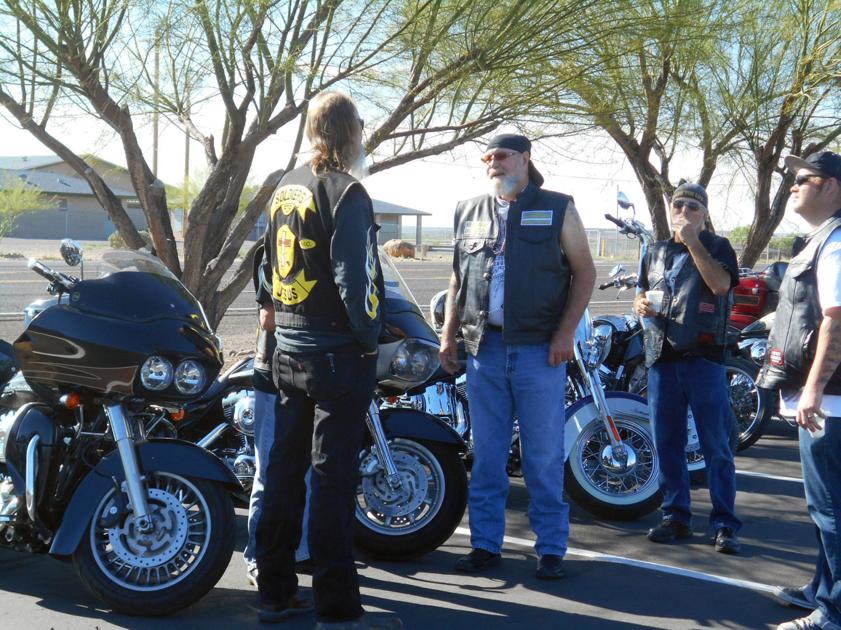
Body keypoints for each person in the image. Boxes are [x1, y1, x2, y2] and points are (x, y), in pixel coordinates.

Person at [439, 133, 596, 579]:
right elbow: (457, 279)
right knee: (487, 456)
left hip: (539, 351)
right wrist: (448, 335)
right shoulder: (468, 210)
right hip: (484, 350)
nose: (494, 162)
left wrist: (565, 333)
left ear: (525, 159)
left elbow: (585, 271)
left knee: (542, 455)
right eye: (488, 157)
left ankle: (551, 548)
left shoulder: (558, 207)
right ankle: (485, 545)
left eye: (503, 155)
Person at [254, 91, 384, 626]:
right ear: (352, 132)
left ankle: (275, 592)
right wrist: (370, 338)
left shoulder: (285, 185)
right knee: (332, 481)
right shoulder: (347, 190)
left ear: (313, 131)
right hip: (335, 355)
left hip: (288, 351)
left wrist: (275, 315)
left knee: (284, 473)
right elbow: (357, 279)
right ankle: (338, 608)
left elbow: (263, 264)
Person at [633, 181, 742, 554]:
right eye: (678, 205)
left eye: (693, 207)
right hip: (661, 357)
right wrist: (639, 304)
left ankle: (725, 524)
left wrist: (694, 242)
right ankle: (675, 516)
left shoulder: (718, 246)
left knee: (716, 445)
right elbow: (642, 291)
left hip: (703, 357)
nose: (684, 212)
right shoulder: (655, 250)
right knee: (667, 442)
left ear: (705, 214)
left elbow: (721, 285)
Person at [757, 151, 841, 630]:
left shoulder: (836, 241)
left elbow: (836, 320)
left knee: (832, 509)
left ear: (830, 185)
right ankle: (821, 591)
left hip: (831, 402)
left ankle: (834, 611)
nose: (791, 186)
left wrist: (813, 388)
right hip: (824, 398)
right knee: (824, 507)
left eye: (802, 178)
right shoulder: (823, 238)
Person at [244, 242, 310, 588]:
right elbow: (267, 318)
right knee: (270, 470)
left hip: (309, 373)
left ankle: (300, 552)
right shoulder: (275, 248)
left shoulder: (320, 247)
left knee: (308, 471)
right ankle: (258, 556)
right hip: (274, 372)